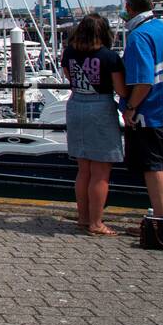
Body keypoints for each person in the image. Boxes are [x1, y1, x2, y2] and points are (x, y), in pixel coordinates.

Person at [120, 0, 163, 230]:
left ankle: (161, 221)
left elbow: (144, 81)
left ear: (129, 7)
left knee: (153, 167)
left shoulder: (139, 36)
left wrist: (131, 108)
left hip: (149, 112)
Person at [61, 13, 127, 235]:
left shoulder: (69, 52)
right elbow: (120, 90)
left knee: (84, 170)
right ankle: (96, 223)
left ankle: (83, 218)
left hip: (76, 104)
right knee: (100, 171)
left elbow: (70, 79)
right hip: (99, 107)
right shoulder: (109, 57)